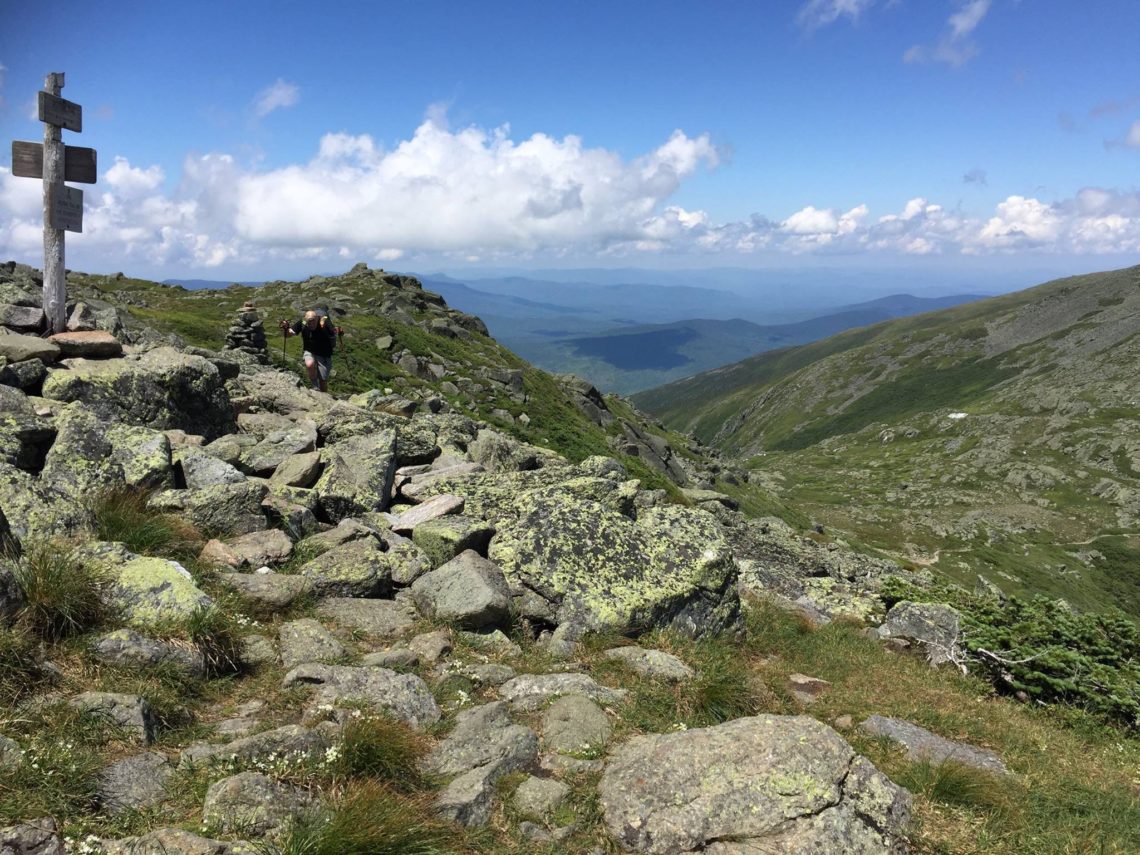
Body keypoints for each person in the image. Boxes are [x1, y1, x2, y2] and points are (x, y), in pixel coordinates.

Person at [281, 309, 339, 392]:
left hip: (324, 353)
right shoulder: (303, 323)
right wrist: (285, 328)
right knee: (309, 364)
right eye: (309, 321)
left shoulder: (324, 322)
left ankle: (324, 395)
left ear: (317, 319)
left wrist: (339, 331)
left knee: (322, 380)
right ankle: (315, 386)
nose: (311, 324)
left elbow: (334, 332)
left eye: (313, 321)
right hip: (309, 350)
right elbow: (289, 334)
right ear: (306, 320)